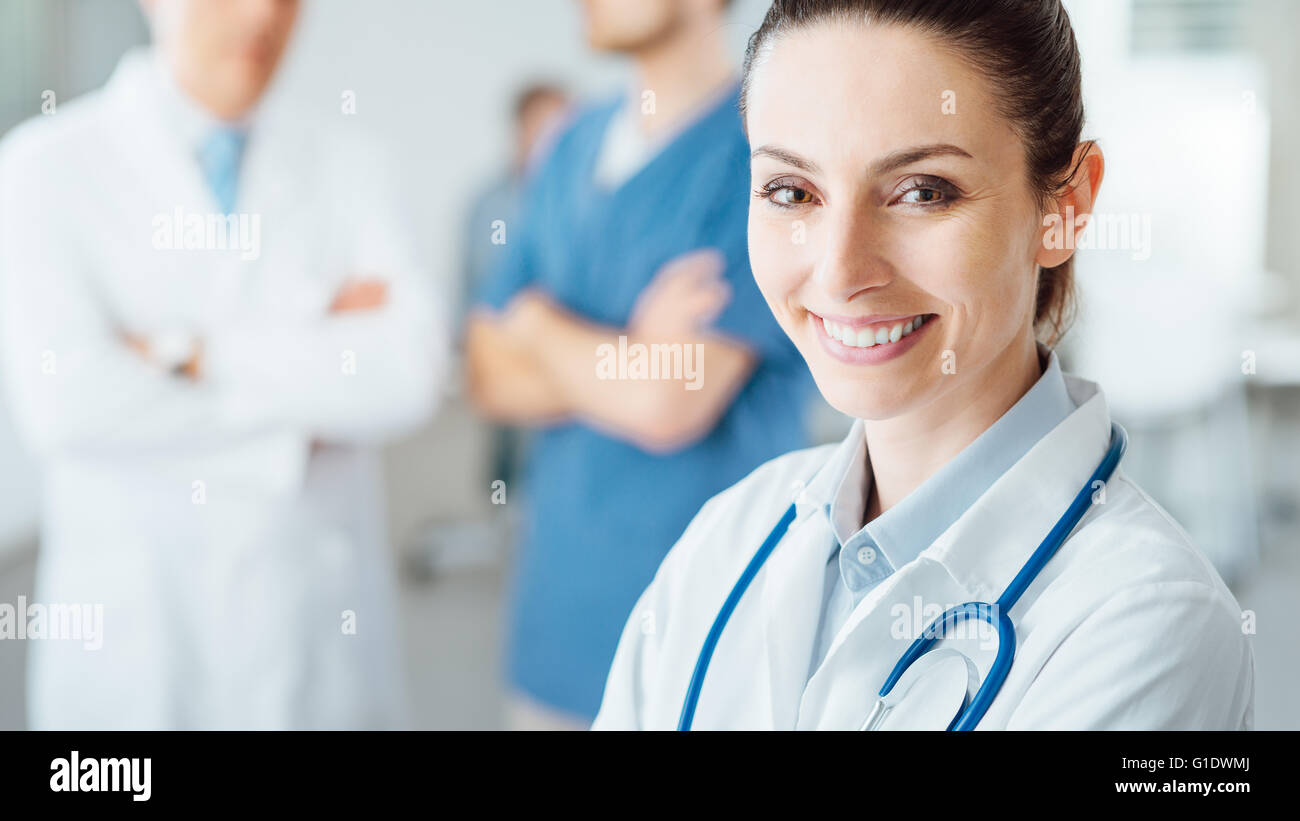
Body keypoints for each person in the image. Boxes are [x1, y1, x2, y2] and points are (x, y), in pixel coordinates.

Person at [595, 0, 1254, 730]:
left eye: (923, 192)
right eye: (792, 192)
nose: (842, 271)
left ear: (1064, 205)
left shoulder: (1153, 622)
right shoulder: (726, 541)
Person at [0, 0, 445, 729]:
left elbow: (411, 373)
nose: (264, 13)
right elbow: (67, 403)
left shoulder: (353, 162)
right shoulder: (44, 167)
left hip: (316, 641)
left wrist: (189, 352)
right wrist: (309, 393)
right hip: (135, 654)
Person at [465, 0, 814, 729]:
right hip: (556, 625)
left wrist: (533, 317)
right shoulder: (569, 145)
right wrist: (628, 352)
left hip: (703, 642)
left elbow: (667, 401)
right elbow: (486, 370)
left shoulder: (764, 155)